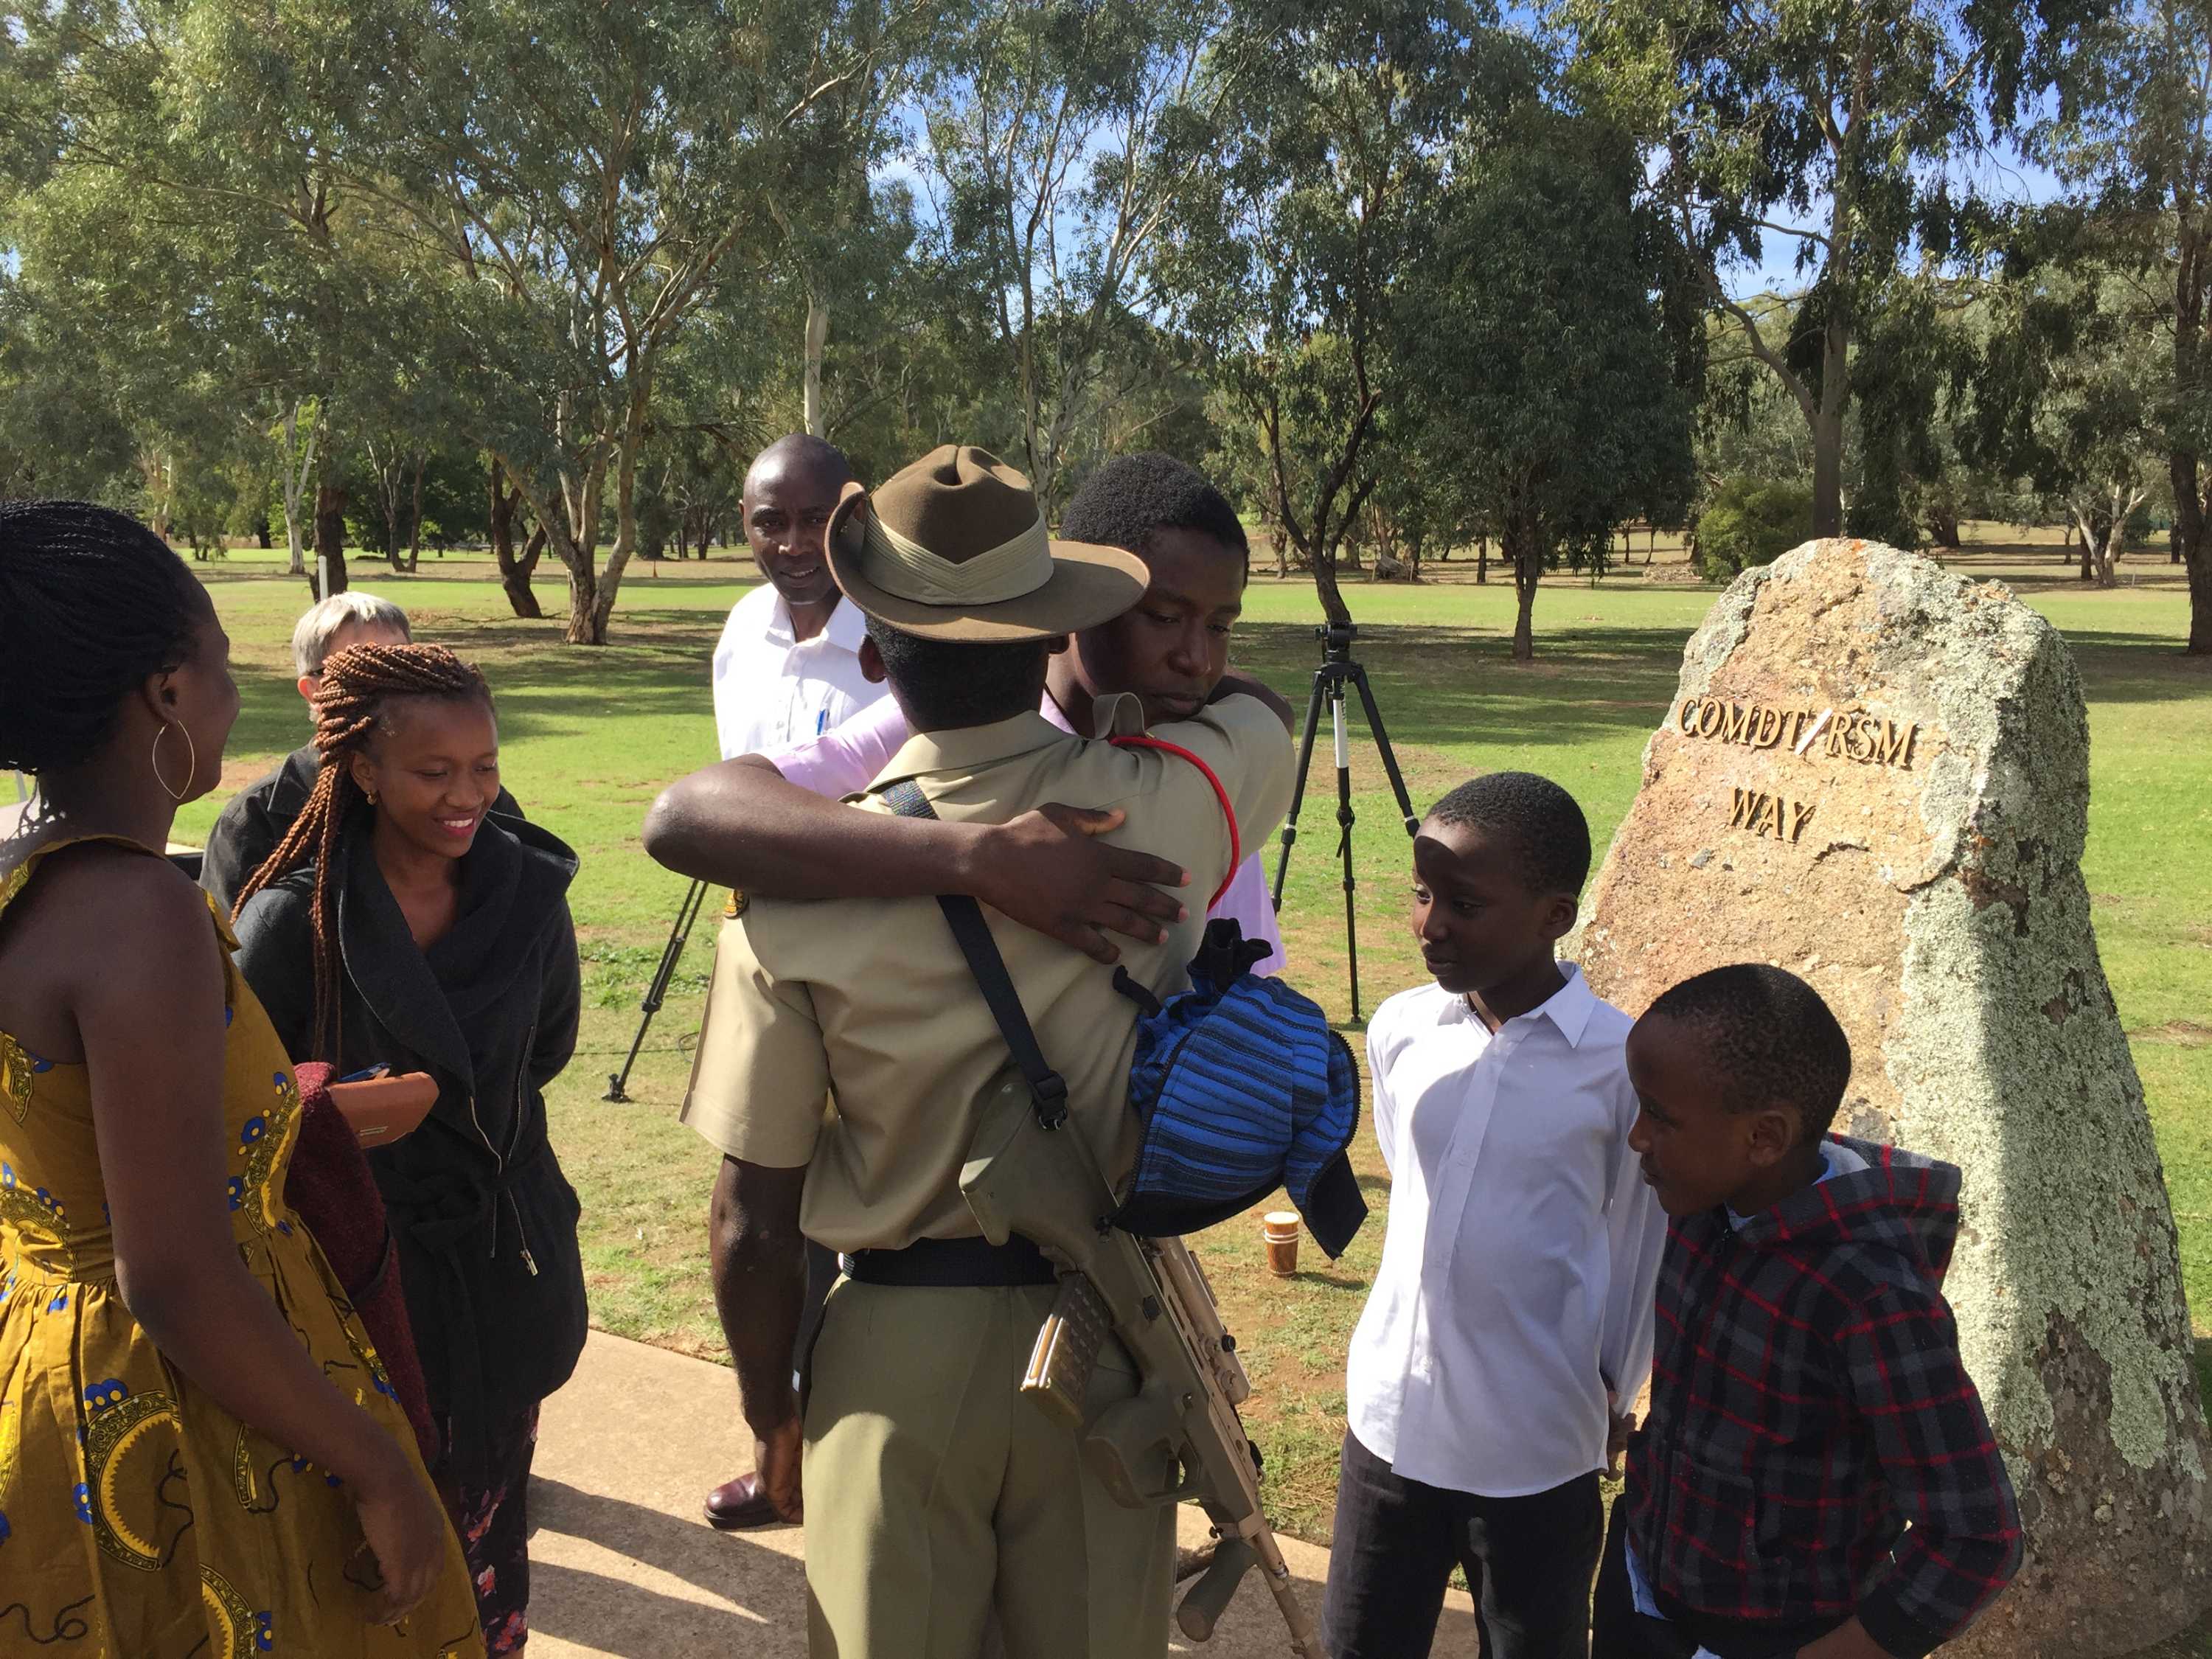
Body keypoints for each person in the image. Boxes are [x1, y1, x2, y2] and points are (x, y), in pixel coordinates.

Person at [644, 444, 1294, 1659]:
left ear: (875, 657)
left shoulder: (792, 889)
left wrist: (771, 1418)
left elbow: (752, 1220)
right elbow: (1254, 705)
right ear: (1065, 627)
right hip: (1105, 1332)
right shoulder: (1187, 805)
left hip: (894, 1356)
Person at [0, 500, 482, 1656]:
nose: (234, 688)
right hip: (180, 1415)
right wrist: (382, 1467)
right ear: (167, 690)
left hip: (49, 1363)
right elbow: (170, 1270)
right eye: (220, 659)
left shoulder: (19, 866)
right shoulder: (137, 912)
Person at [230, 643, 585, 1657]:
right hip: (358, 1286)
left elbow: (546, 1049)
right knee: (371, 1555)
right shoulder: (291, 920)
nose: (466, 795)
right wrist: (350, 1114)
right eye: (434, 772)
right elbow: (246, 1122)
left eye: (485, 765)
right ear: (365, 771)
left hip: (502, 1262)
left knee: (488, 1534)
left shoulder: (527, 893)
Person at [1322, 773, 1665, 1659]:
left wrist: (1609, 1396)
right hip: (1390, 1431)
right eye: (1423, 893)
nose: (1431, 924)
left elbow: (1634, 1247)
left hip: (1536, 1452)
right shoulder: (1401, 1028)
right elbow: (1414, 1182)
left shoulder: (1620, 1069)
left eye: (1465, 904)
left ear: (1556, 915)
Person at [1595, 964, 2023, 1659]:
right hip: (1644, 1590)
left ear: (1764, 1138)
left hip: (1779, 1638)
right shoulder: (1704, 1206)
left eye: (1662, 1118)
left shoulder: (1870, 1296)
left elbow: (1980, 1536)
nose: (1638, 1137)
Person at [765, 452, 1288, 970]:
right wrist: (978, 857)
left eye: (1220, 627)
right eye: (1165, 617)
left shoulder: (1206, 761)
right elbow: (697, 814)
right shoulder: (958, 725)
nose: (1196, 660)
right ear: (1084, 605)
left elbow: (1254, 978)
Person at [199, 591, 522, 912]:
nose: (390, 686)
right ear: (313, 691)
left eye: (401, 664)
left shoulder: (481, 804)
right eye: (363, 671)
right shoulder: (257, 820)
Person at [710, 434, 886, 762]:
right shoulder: (743, 627)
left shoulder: (899, 643)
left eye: (816, 520)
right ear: (744, 519)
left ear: (855, 514)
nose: (793, 545)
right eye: (771, 523)